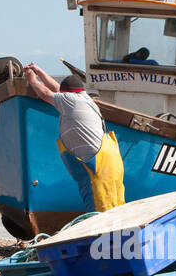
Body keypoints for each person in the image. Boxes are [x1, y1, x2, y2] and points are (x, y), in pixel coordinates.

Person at [22, 63, 125, 212]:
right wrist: (40, 71)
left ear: (68, 94)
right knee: (117, 204)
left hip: (97, 165)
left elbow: (45, 94)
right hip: (111, 159)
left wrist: (32, 80)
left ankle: (100, 234)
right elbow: (57, 89)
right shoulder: (85, 99)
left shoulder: (69, 100)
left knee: (100, 209)